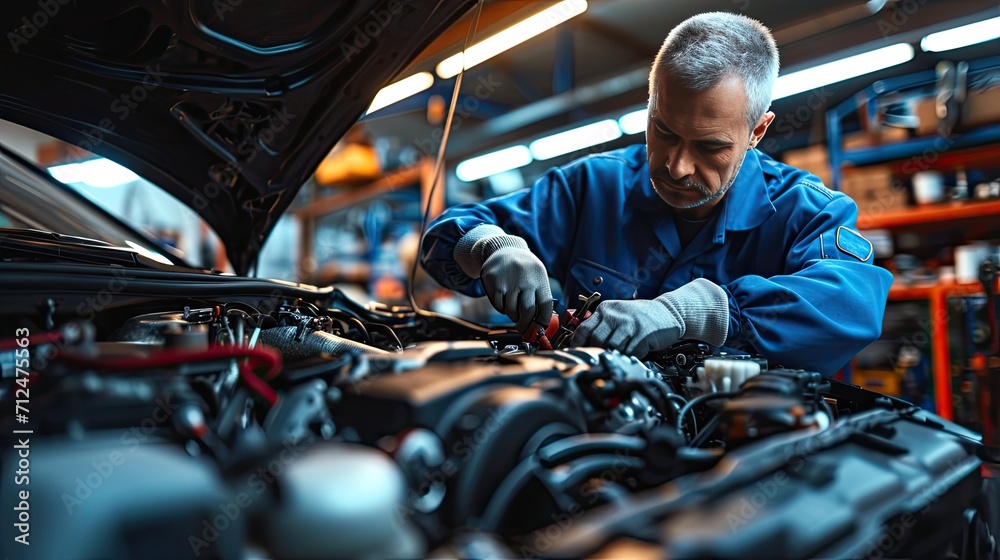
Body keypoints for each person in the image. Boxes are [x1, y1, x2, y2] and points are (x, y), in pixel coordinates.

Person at [419, 12, 892, 375]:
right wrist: (489, 246)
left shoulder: (806, 212)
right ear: (651, 104)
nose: (676, 166)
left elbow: (851, 306)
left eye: (709, 146)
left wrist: (696, 312)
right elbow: (445, 236)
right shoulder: (592, 187)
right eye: (663, 131)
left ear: (757, 131)